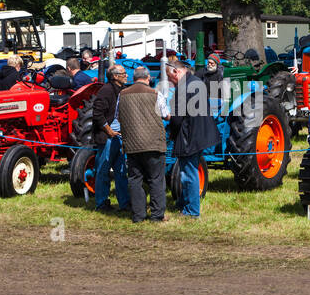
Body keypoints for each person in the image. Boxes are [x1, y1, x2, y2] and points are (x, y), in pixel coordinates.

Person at [167, 60, 219, 219]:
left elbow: (177, 118)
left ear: (177, 72)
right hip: (200, 133)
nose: (170, 81)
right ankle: (184, 202)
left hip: (189, 135)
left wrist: (170, 127)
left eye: (170, 78)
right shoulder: (197, 81)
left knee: (188, 173)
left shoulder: (183, 87)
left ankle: (192, 211)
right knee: (189, 169)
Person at [117, 65, 167, 223]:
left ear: (133, 78)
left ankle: (138, 215)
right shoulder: (155, 93)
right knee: (156, 179)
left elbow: (118, 116)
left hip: (132, 144)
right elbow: (165, 114)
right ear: (148, 78)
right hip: (153, 143)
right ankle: (157, 215)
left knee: (135, 179)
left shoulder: (122, 94)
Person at [90, 64, 129, 212]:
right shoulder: (105, 91)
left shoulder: (123, 90)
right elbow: (97, 114)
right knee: (103, 170)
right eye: (123, 73)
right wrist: (109, 131)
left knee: (121, 171)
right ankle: (101, 203)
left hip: (120, 137)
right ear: (115, 76)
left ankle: (124, 203)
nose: (126, 75)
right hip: (107, 138)